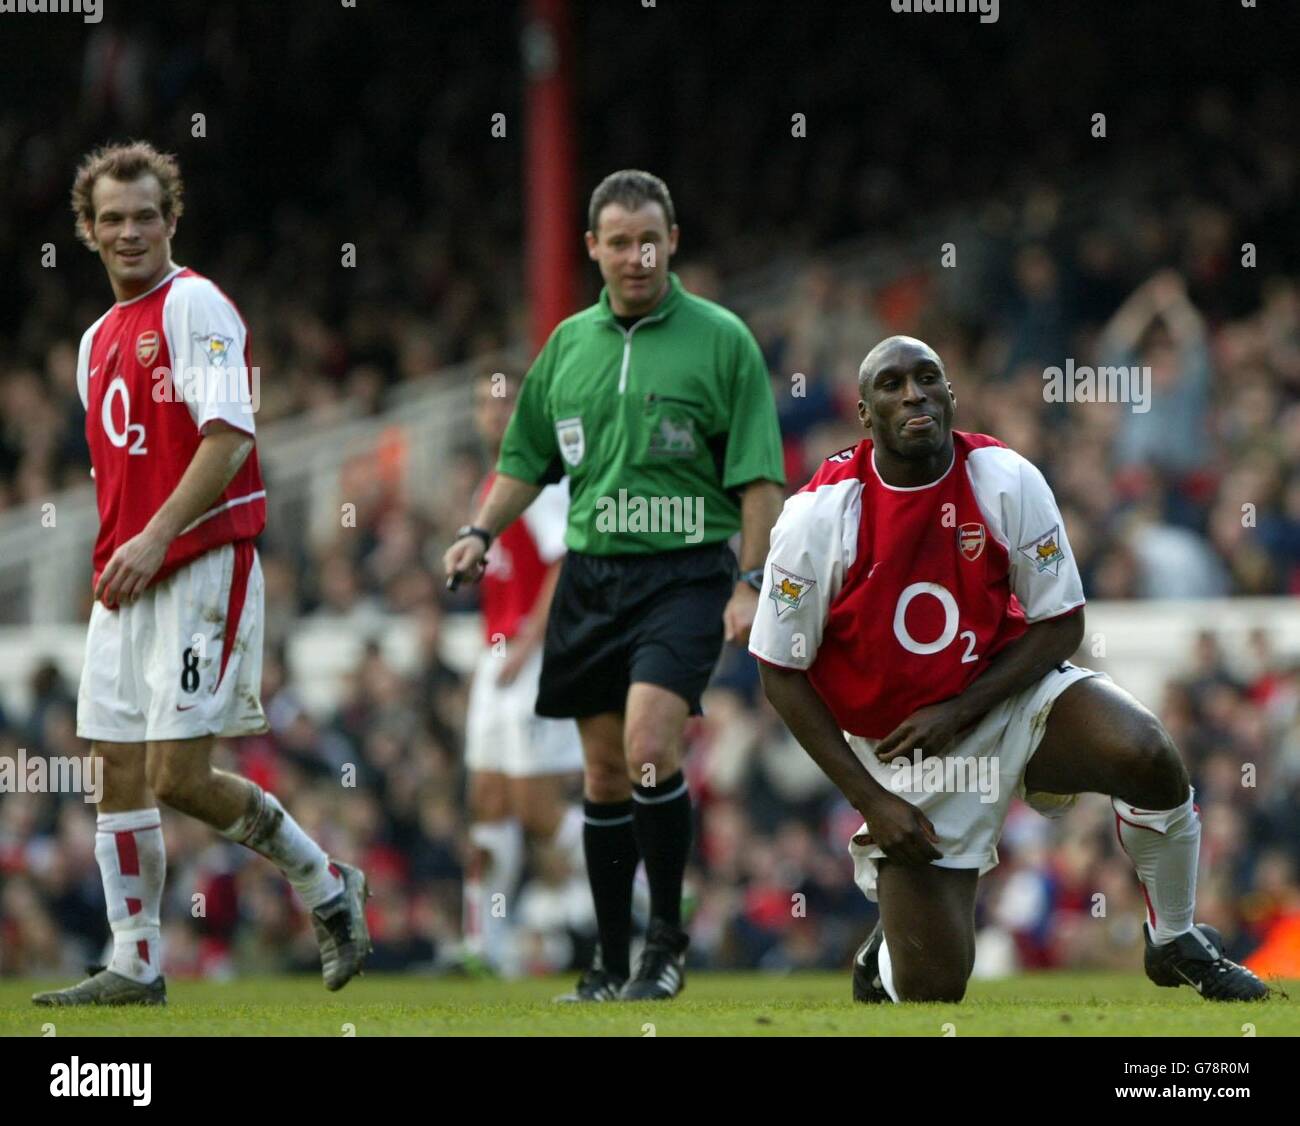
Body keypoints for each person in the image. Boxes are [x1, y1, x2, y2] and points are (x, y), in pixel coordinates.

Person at [750, 334, 1269, 1003]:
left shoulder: (1006, 478)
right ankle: (886, 954)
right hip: (905, 755)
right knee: (934, 990)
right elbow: (778, 671)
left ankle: (1173, 938)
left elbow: (1062, 623)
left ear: (950, 394)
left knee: (1146, 751)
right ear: (864, 414)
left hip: (1006, 699)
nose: (913, 394)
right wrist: (872, 802)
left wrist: (963, 709)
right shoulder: (816, 518)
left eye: (927, 378)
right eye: (892, 384)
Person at [34, 142, 370, 1007]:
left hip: (197, 569)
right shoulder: (95, 341)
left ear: (171, 219)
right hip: (127, 582)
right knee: (114, 768)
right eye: (112, 218)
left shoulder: (197, 306)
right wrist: (122, 554)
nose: (131, 231)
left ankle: (326, 881)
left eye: (147, 214)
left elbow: (229, 440)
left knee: (178, 776)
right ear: (88, 231)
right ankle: (137, 963)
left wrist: (153, 539)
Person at [444, 170, 785, 1000]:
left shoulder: (722, 339)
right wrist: (478, 532)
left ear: (672, 242)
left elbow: (760, 478)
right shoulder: (566, 347)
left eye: (650, 240)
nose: (636, 257)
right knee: (600, 778)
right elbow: (525, 460)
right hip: (594, 576)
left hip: (687, 571)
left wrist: (748, 581)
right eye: (619, 242)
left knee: (645, 749)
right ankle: (605, 963)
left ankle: (665, 945)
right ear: (592, 248)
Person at [460, 371, 586, 974]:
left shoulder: (543, 479)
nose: (493, 413)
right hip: (496, 655)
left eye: (505, 402)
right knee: (487, 800)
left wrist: (529, 642)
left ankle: (642, 876)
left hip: (532, 656)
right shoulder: (492, 485)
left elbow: (566, 561)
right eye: (484, 403)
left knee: (537, 808)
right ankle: (485, 944)